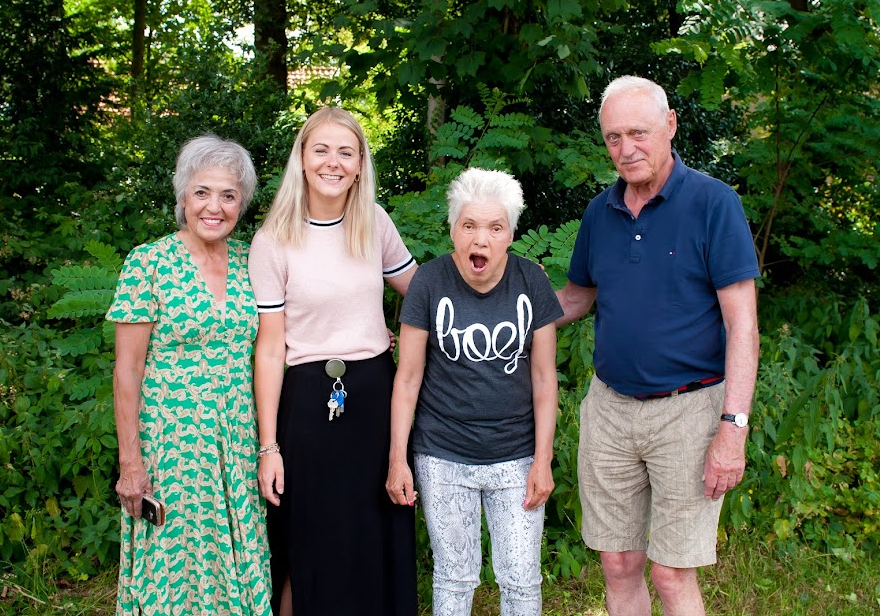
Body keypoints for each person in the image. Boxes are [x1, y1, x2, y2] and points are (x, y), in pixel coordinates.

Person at [555, 75, 760, 616]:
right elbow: (576, 297)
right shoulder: (600, 213)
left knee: (671, 573)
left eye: (639, 133)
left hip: (688, 412)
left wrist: (732, 429)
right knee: (618, 564)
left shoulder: (714, 204)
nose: (627, 149)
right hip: (610, 410)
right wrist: (504, 308)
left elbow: (743, 326)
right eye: (614, 138)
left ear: (670, 125)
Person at [248, 107, 418, 616]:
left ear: (361, 164)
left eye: (347, 152)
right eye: (320, 149)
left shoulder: (374, 221)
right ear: (301, 158)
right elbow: (270, 347)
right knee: (312, 538)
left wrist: (496, 278)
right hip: (306, 405)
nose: (333, 162)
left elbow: (422, 290)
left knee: (371, 531)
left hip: (373, 395)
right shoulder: (272, 240)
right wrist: (269, 446)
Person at [387, 168, 562, 616]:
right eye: (469, 225)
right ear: (452, 230)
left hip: (517, 455)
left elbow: (544, 380)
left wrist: (542, 460)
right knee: (454, 577)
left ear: (510, 235)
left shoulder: (532, 282)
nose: (480, 240)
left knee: (521, 580)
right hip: (443, 454)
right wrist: (397, 459)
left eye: (494, 227)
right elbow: (407, 378)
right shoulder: (428, 283)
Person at [108, 135, 271, 615]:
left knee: (235, 556)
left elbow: (282, 335)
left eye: (228, 195)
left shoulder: (251, 260)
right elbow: (127, 371)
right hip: (172, 444)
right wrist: (131, 463)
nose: (214, 207)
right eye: (202, 192)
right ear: (182, 196)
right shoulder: (148, 263)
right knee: (176, 561)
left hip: (238, 440)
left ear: (242, 202)